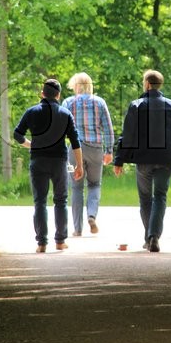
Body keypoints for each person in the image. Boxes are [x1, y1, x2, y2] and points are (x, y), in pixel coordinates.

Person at [113, 70, 171, 253]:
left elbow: (128, 136)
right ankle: (154, 236)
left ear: (146, 84)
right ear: (159, 85)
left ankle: (149, 237)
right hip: (165, 159)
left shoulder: (136, 106)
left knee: (145, 199)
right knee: (160, 197)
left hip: (143, 159)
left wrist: (119, 160)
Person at [14, 79, 84, 253]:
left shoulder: (32, 112)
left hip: (38, 161)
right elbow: (75, 141)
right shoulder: (65, 114)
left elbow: (17, 134)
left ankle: (42, 243)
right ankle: (60, 241)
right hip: (59, 162)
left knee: (40, 202)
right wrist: (79, 165)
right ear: (58, 95)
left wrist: (31, 144)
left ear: (42, 93)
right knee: (61, 200)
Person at [62, 72, 115, 237]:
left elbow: (60, 126)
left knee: (76, 188)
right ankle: (91, 215)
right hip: (95, 149)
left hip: (75, 150)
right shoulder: (99, 102)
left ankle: (78, 229)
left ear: (76, 86)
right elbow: (108, 128)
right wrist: (109, 151)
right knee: (95, 184)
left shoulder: (68, 103)